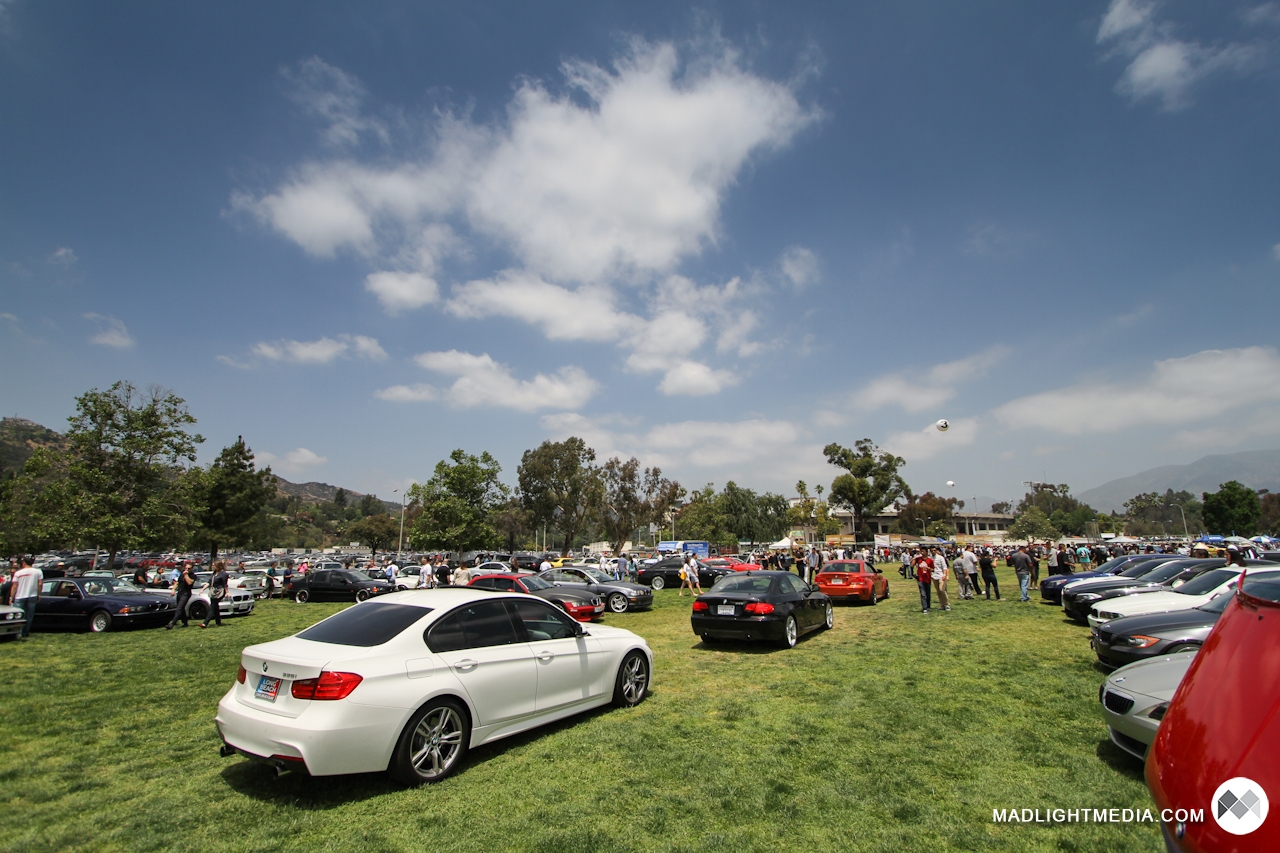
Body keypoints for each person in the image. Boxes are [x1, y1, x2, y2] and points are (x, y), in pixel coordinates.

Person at [12, 557, 42, 638]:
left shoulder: (18, 573)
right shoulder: (38, 572)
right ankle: (25, 632)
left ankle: (18, 632)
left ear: (24, 563)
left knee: (18, 615)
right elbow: (40, 584)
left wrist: (11, 597)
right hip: (32, 595)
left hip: (20, 596)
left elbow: (14, 586)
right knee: (29, 615)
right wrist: (39, 594)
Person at [167, 561, 198, 629]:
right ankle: (185, 622)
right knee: (181, 608)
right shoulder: (181, 574)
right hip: (180, 592)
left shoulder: (193, 575)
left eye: (188, 568)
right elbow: (177, 583)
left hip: (186, 593)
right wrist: (173, 590)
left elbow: (189, 583)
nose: (186, 570)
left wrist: (186, 575)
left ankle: (172, 624)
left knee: (179, 608)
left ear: (192, 569)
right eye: (186, 568)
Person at [201, 560, 229, 628]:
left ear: (218, 566)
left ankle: (205, 623)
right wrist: (202, 589)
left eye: (213, 565)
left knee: (213, 607)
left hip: (219, 591)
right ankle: (218, 622)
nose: (212, 566)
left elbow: (225, 584)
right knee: (215, 607)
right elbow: (209, 582)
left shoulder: (223, 574)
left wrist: (227, 592)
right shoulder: (214, 573)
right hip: (213, 591)